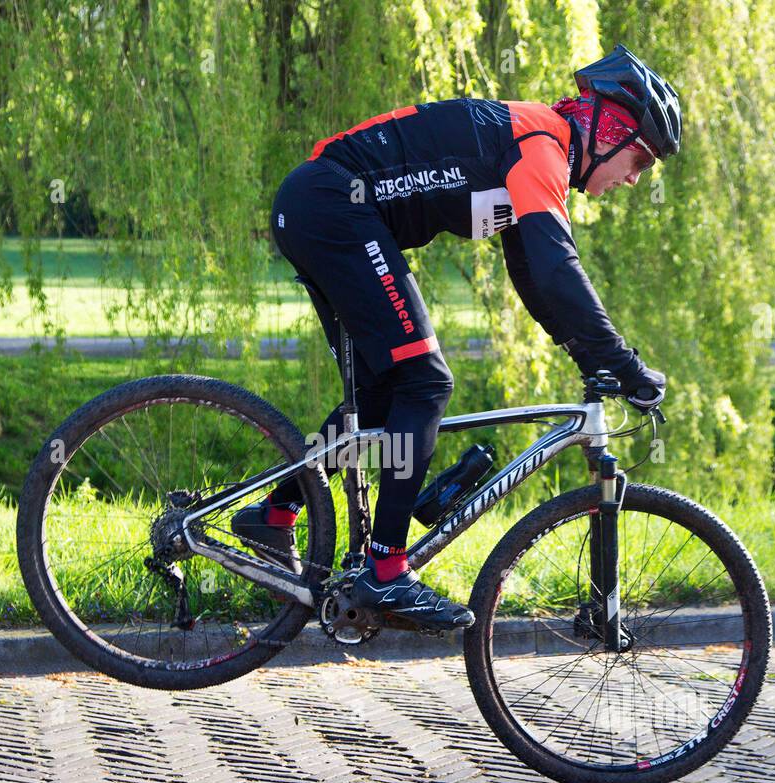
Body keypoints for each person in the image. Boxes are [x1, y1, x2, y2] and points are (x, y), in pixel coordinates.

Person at [233, 45, 681, 630]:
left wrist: (584, 353)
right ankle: (386, 572)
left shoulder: (538, 149)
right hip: (332, 206)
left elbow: (531, 276)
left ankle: (277, 513)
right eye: (640, 161)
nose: (633, 179)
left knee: (381, 394)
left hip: (319, 206)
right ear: (608, 130)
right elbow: (556, 268)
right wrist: (623, 363)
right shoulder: (542, 146)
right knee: (424, 380)